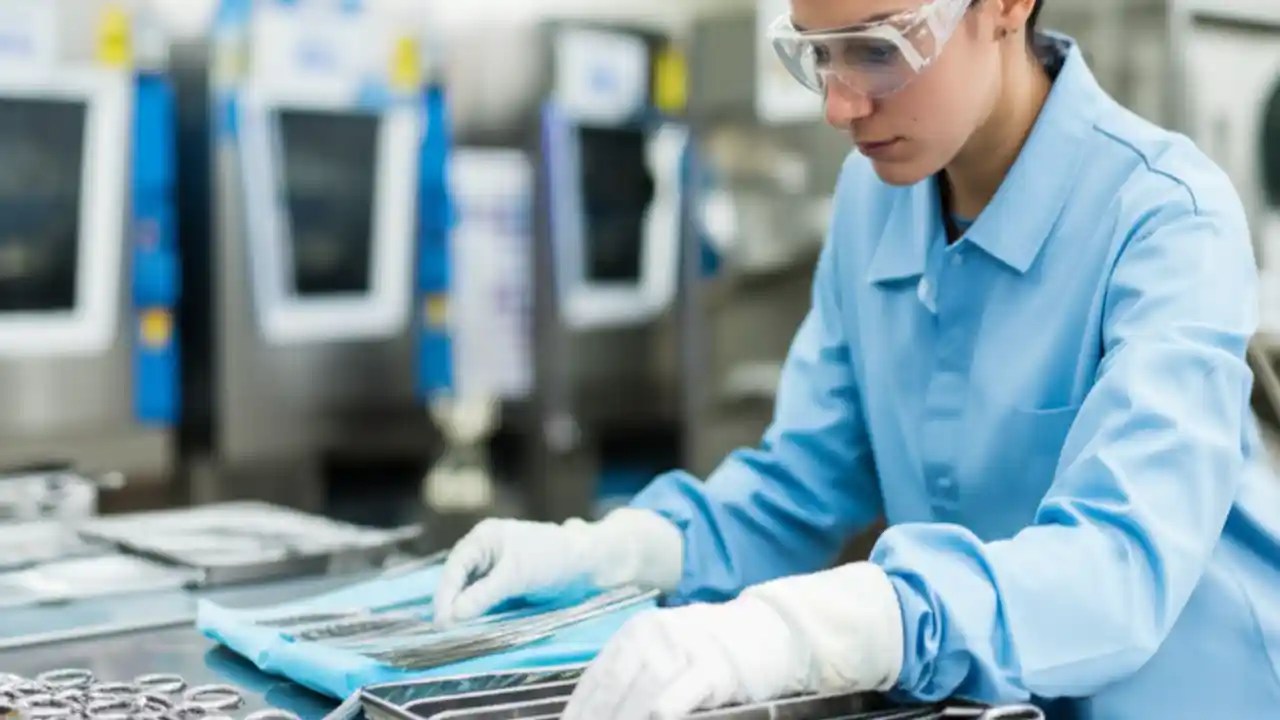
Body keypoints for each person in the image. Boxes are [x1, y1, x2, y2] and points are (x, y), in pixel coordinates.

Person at [434, 0, 1280, 717]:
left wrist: (829, 627)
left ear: (1007, 8)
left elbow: (1116, 570)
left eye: (879, 51)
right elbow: (799, 488)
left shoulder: (1166, 217)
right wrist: (612, 555)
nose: (839, 107)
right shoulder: (878, 202)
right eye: (817, 56)